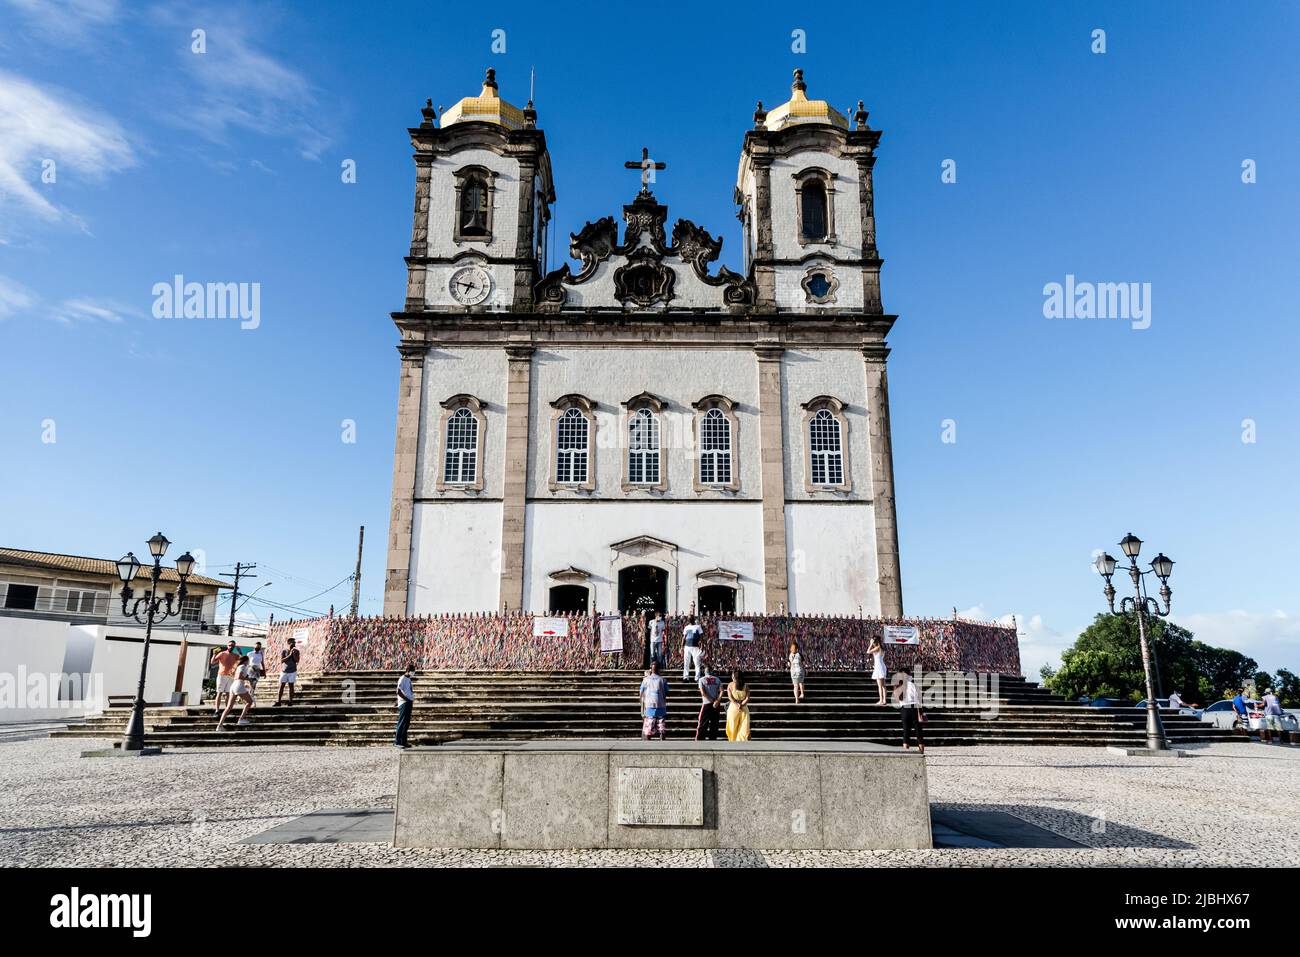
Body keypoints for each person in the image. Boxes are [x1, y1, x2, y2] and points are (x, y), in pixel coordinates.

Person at [217, 655, 256, 730]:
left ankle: (219, 725)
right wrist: (249, 679)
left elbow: (237, 677)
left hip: (233, 686)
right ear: (245, 661)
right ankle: (241, 719)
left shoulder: (238, 667)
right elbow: (239, 677)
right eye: (248, 660)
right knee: (250, 702)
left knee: (228, 707)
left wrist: (246, 681)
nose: (248, 662)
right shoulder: (243, 666)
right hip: (238, 685)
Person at [896, 665, 925, 753]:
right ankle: (921, 753)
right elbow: (918, 701)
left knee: (906, 732)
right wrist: (920, 714)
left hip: (904, 709)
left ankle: (906, 753)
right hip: (914, 708)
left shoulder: (898, 686)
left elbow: (898, 701)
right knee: (918, 732)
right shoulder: (913, 685)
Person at [210, 640, 240, 716]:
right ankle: (217, 711)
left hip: (230, 676)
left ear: (234, 646)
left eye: (232, 645)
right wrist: (214, 654)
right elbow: (212, 662)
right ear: (227, 646)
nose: (231, 646)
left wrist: (240, 652)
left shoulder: (235, 655)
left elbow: (242, 661)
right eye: (230, 645)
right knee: (219, 693)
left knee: (228, 694)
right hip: (221, 675)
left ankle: (227, 711)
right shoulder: (222, 653)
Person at [639, 662, 669, 741]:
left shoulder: (645, 680)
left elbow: (641, 692)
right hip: (661, 706)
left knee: (649, 728)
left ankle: (648, 745)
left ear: (651, 670)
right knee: (661, 727)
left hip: (649, 706)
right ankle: (662, 742)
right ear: (659, 670)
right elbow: (667, 692)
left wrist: (642, 704)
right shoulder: (663, 680)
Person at [696, 664, 724, 741]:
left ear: (705, 671)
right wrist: (717, 700)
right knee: (714, 723)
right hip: (716, 704)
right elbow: (722, 691)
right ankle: (712, 738)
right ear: (711, 671)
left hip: (706, 703)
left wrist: (710, 700)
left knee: (702, 723)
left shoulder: (701, 680)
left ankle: (700, 739)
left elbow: (703, 693)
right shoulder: (717, 679)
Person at [725, 669, 751, 742]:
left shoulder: (733, 685)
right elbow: (747, 697)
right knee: (739, 725)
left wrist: (738, 704)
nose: (732, 677)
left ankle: (737, 740)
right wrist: (740, 704)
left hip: (737, 707)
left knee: (738, 725)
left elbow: (731, 697)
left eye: (733, 676)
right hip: (740, 707)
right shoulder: (744, 685)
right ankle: (737, 741)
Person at [274, 637, 300, 707]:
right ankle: (278, 701)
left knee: (291, 686)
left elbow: (297, 660)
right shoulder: (284, 651)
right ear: (288, 643)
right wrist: (290, 655)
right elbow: (282, 660)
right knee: (281, 686)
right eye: (292, 642)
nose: (294, 644)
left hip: (293, 671)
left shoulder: (296, 651)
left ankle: (290, 702)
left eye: (294, 642)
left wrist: (293, 654)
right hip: (284, 671)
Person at [395, 664, 415, 749]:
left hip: (408, 702)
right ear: (408, 670)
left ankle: (404, 741)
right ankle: (398, 741)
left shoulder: (409, 679)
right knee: (402, 722)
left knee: (406, 723)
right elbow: (398, 691)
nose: (413, 673)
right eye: (413, 671)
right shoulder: (402, 678)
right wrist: (405, 699)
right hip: (404, 702)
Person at [681, 615, 704, 682]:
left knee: (697, 662)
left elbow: (701, 637)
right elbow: (684, 637)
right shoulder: (686, 627)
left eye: (691, 619)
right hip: (687, 647)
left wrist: (702, 645)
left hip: (695, 647)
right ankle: (685, 677)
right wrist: (682, 647)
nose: (690, 620)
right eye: (689, 619)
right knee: (686, 662)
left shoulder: (698, 627)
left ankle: (697, 678)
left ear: (694, 619)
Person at [867, 635, 887, 705]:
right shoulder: (881, 647)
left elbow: (868, 651)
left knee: (880, 685)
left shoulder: (877, 648)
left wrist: (870, 644)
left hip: (879, 667)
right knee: (883, 685)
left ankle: (881, 700)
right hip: (881, 666)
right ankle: (884, 700)